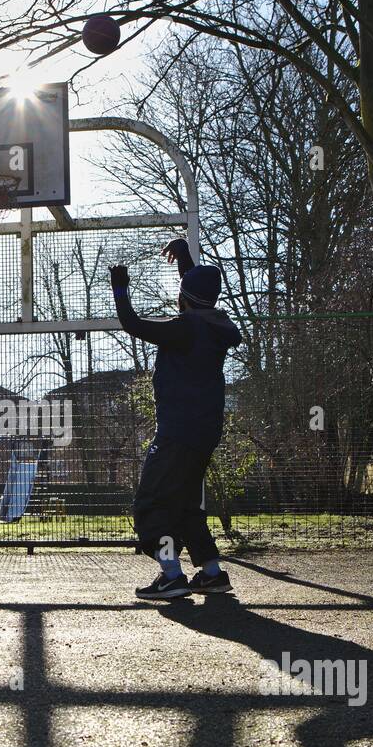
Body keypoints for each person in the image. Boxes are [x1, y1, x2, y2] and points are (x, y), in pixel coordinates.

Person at [109, 238, 241, 599]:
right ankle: (211, 572)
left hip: (176, 433)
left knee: (150, 504)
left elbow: (132, 323)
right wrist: (184, 254)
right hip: (203, 432)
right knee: (184, 504)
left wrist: (120, 287)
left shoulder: (184, 329)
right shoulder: (212, 325)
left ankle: (171, 574)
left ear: (184, 298)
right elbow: (192, 293)